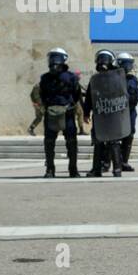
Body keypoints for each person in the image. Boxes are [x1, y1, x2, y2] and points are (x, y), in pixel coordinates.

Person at [84, 49, 129, 178]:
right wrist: (86, 112)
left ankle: (117, 168)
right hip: (100, 113)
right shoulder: (95, 79)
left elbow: (123, 95)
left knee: (114, 142)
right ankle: (97, 169)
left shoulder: (117, 77)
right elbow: (89, 97)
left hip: (113, 113)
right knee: (98, 142)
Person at [39, 47, 82, 178]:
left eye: (56, 58)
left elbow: (76, 94)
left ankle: (70, 169)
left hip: (65, 113)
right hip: (54, 113)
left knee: (70, 142)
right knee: (50, 142)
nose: (54, 61)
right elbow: (42, 94)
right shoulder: (46, 78)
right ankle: (53, 169)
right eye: (52, 58)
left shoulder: (71, 78)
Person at [115, 52, 138, 172]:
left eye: (129, 64)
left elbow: (135, 95)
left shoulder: (133, 79)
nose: (128, 66)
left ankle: (124, 162)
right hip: (117, 112)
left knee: (129, 136)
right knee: (114, 137)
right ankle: (112, 162)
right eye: (126, 64)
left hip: (130, 111)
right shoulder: (113, 77)